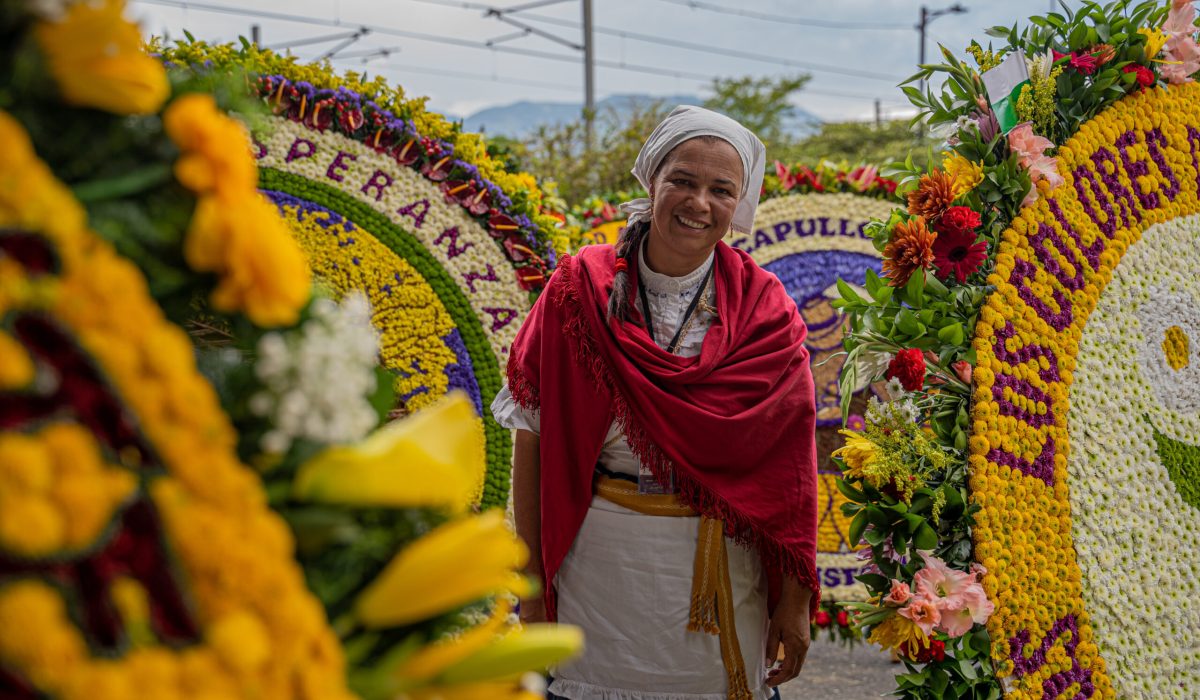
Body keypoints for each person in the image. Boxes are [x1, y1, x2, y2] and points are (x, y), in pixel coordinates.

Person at [492, 105, 819, 700]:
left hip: (722, 578)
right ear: (652, 182)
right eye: (683, 181)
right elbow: (530, 441)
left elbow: (792, 470)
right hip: (599, 575)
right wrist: (531, 589)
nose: (699, 203)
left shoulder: (765, 310)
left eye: (721, 190)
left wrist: (795, 602)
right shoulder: (576, 290)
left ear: (739, 202)